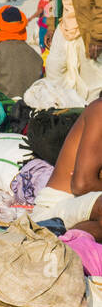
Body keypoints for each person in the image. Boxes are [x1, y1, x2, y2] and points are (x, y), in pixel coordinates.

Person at [32, 97, 102, 239]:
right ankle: (55, 241)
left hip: (86, 211)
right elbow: (82, 184)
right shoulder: (99, 110)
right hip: (53, 212)